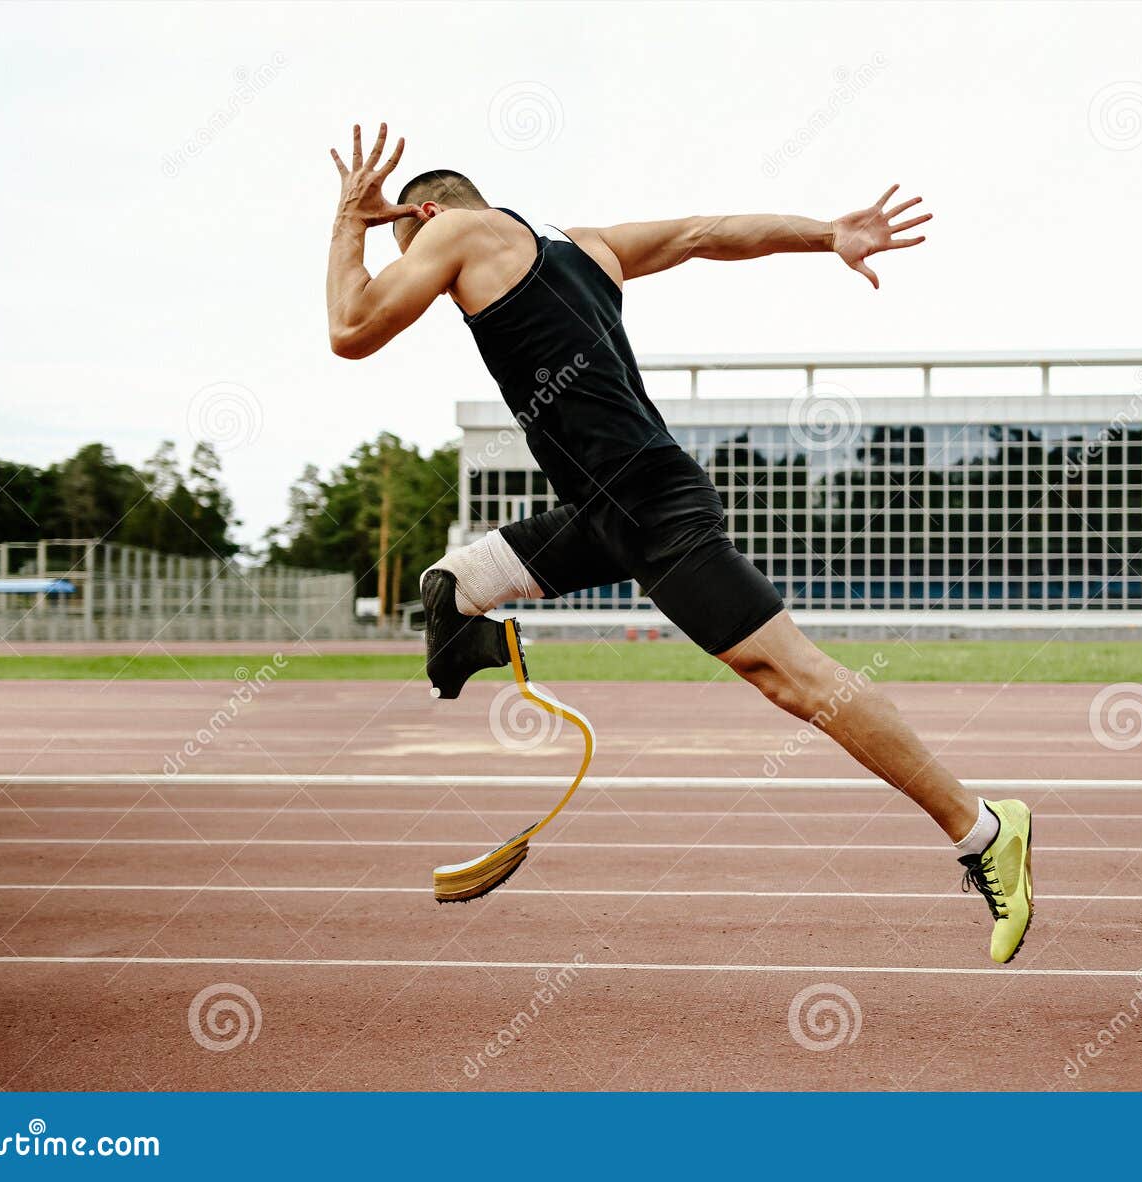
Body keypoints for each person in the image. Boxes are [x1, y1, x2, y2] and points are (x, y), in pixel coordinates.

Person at [325, 124, 1032, 963]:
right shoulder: (580, 246)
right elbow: (702, 235)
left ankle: (983, 827)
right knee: (455, 580)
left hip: (647, 503)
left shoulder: (455, 230)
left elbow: (351, 328)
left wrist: (348, 222)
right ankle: (474, 638)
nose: (429, 283)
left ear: (430, 213)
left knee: (796, 678)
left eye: (416, 257)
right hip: (606, 511)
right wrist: (825, 233)